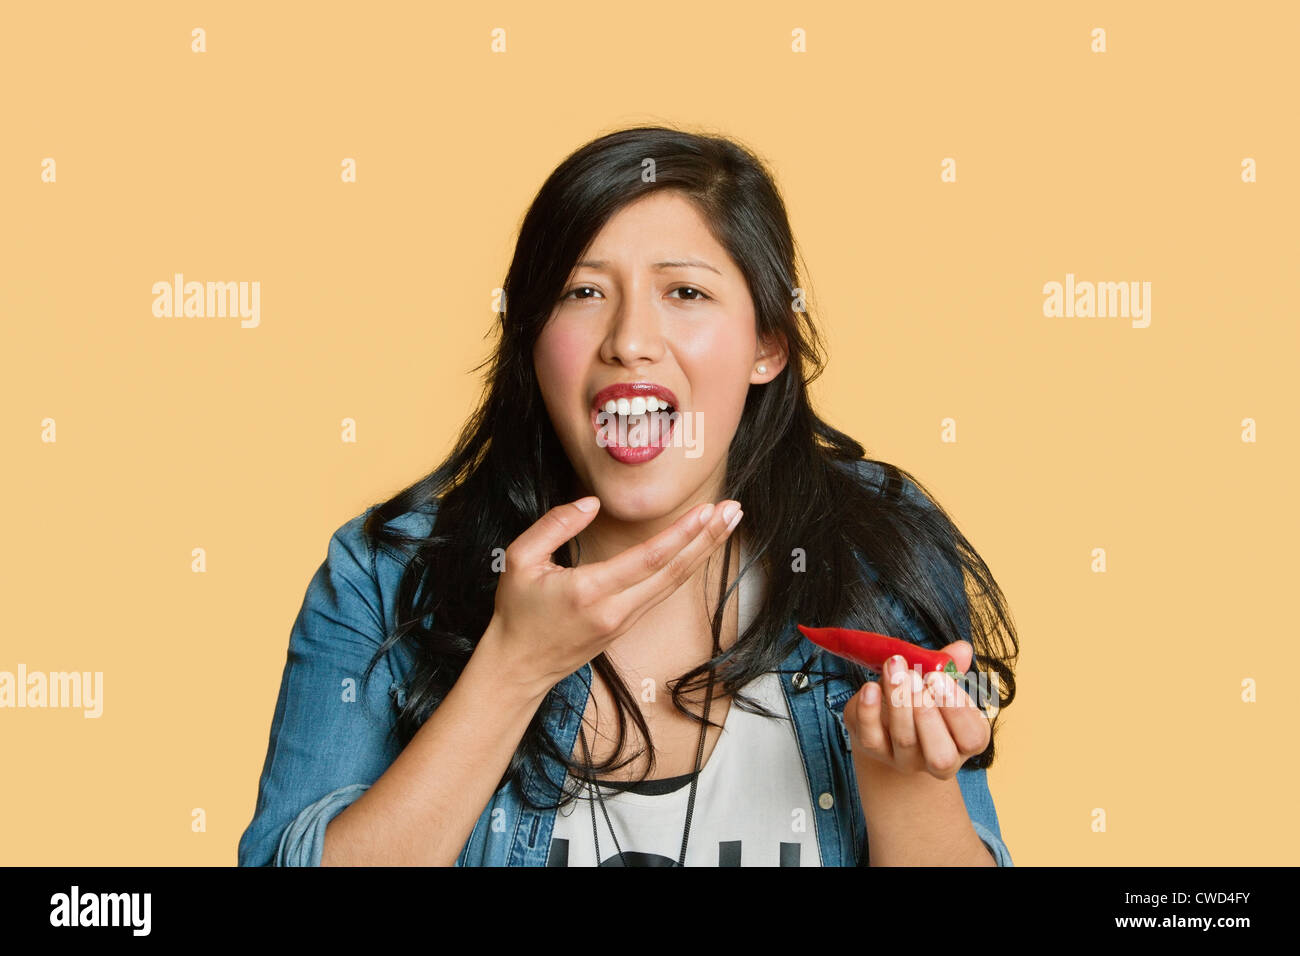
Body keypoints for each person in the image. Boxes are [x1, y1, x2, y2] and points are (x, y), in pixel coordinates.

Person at [237, 125, 1020, 867]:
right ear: (530, 338)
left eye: (685, 292)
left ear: (768, 345)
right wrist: (511, 669)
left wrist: (909, 784)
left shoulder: (872, 550)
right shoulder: (384, 575)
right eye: (582, 293)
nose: (629, 339)